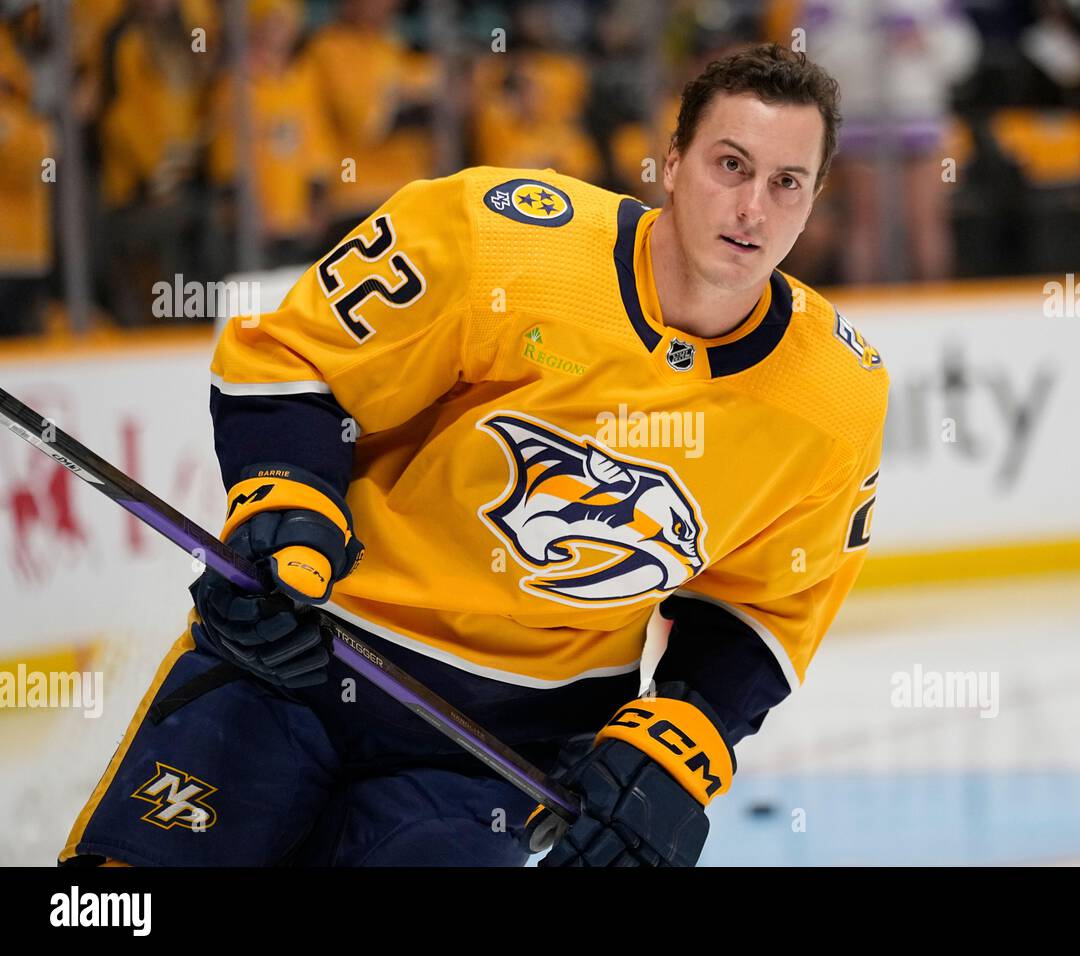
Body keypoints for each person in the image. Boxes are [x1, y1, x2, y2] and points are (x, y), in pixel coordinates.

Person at [59, 43, 889, 868]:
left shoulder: (833, 398)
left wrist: (683, 735)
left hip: (498, 753)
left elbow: (764, 607)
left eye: (785, 183)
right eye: (730, 164)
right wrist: (287, 512)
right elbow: (298, 362)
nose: (751, 206)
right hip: (302, 654)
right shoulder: (502, 237)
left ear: (815, 201)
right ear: (671, 164)